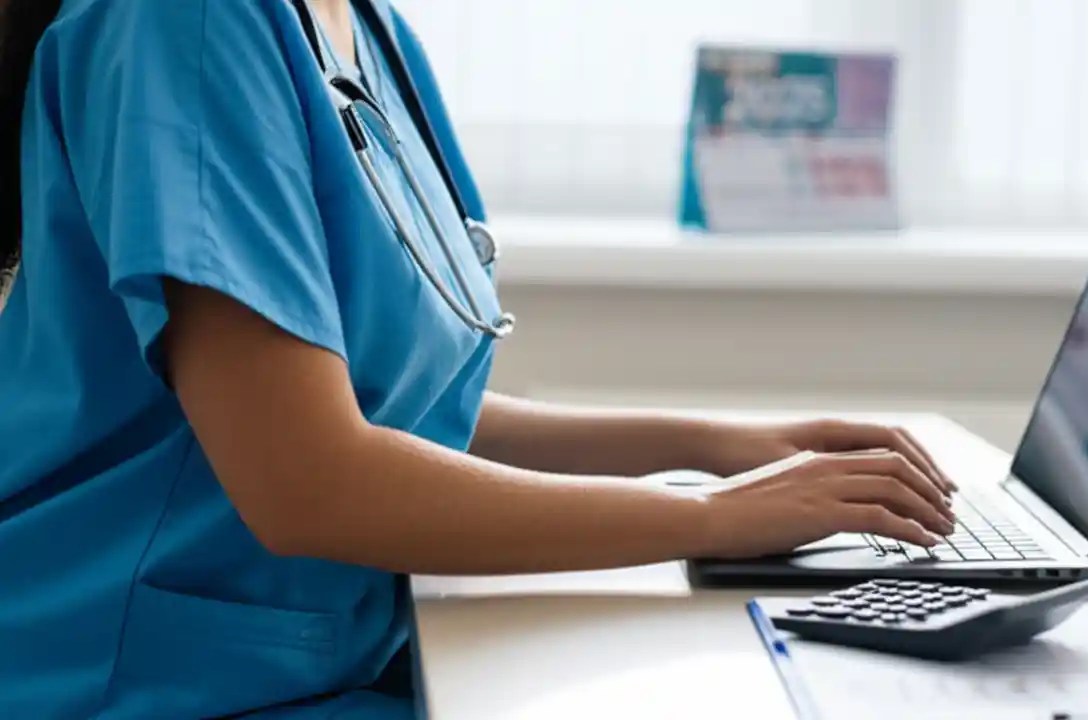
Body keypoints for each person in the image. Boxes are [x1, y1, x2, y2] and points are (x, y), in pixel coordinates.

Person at [0, 0, 958, 717]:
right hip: (130, 677)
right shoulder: (188, 27)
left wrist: (714, 445)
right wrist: (710, 518)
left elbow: (398, 412)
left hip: (300, 658)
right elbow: (309, 481)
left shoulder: (360, 32)